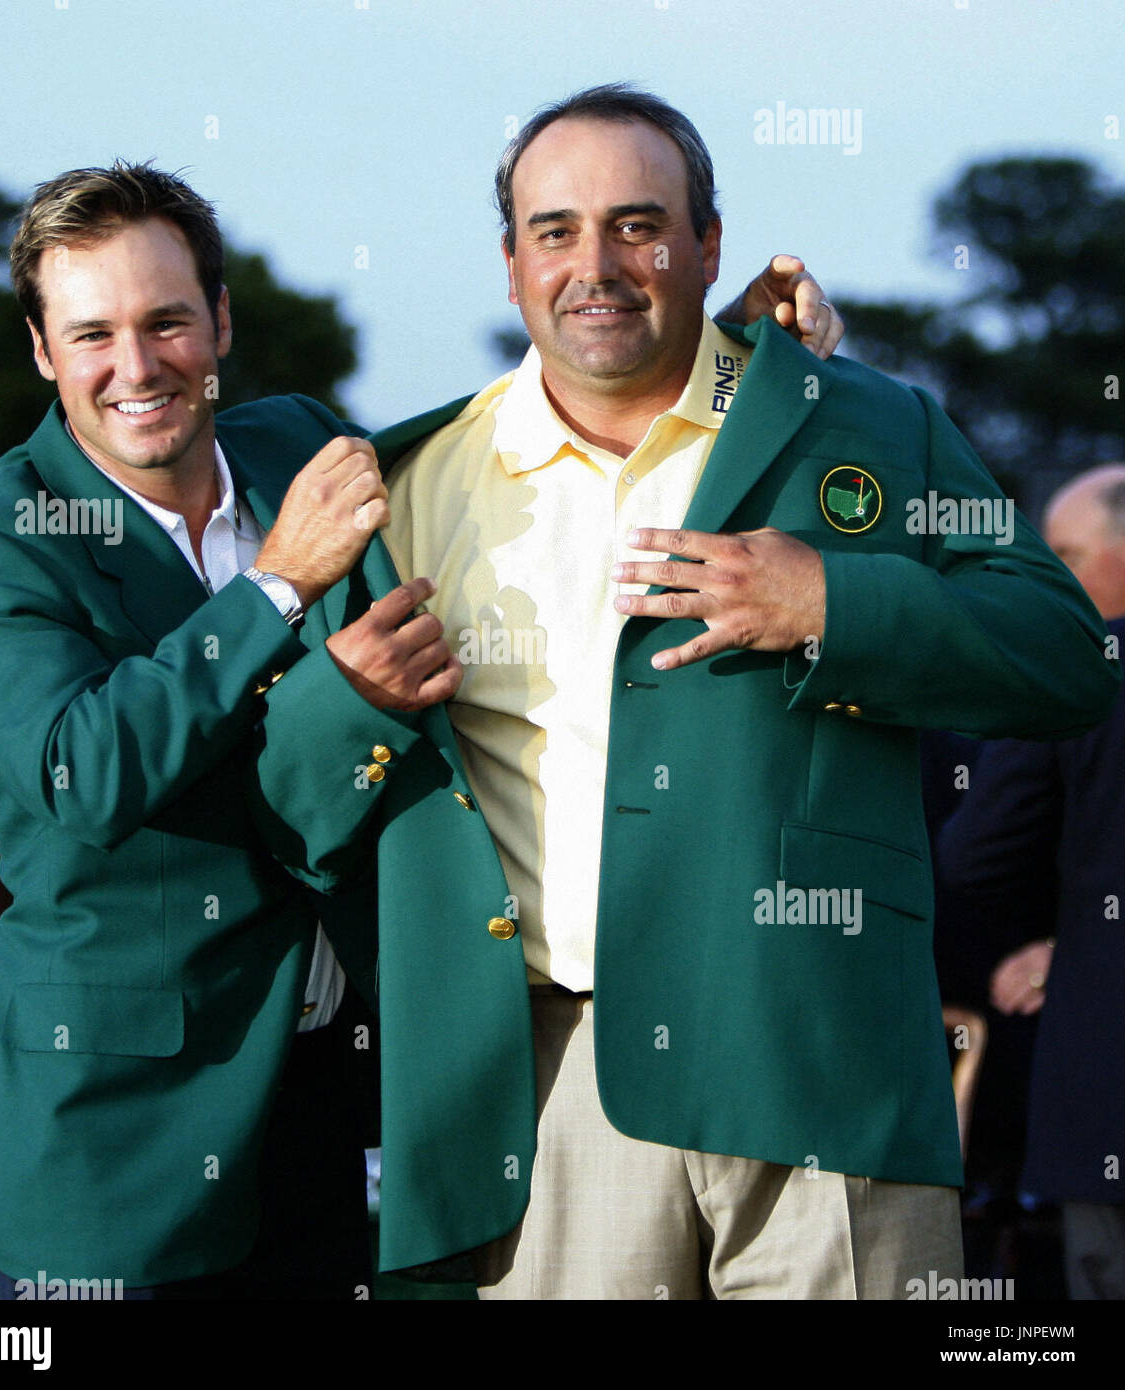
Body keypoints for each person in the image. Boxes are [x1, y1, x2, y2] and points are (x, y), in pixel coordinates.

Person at [0, 157, 835, 1298]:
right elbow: (81, 773)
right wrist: (278, 588)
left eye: (167, 322)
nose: (137, 367)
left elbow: (482, 457)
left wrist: (696, 353)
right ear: (45, 352)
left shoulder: (294, 441)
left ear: (222, 322)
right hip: (120, 1141)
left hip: (332, 1109)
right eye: (92, 334)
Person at [254, 84, 1119, 1300]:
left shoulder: (869, 423)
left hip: (825, 1071)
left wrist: (833, 602)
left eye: (637, 223)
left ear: (709, 246)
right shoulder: (406, 484)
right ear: (510, 264)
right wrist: (341, 694)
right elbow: (294, 795)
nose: (595, 264)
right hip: (550, 1089)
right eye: (554, 230)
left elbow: (1066, 658)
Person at [939, 462, 1125, 1300]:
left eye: (1066, 551)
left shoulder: (1074, 676)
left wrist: (1071, 938)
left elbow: (978, 853)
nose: (1056, 575)